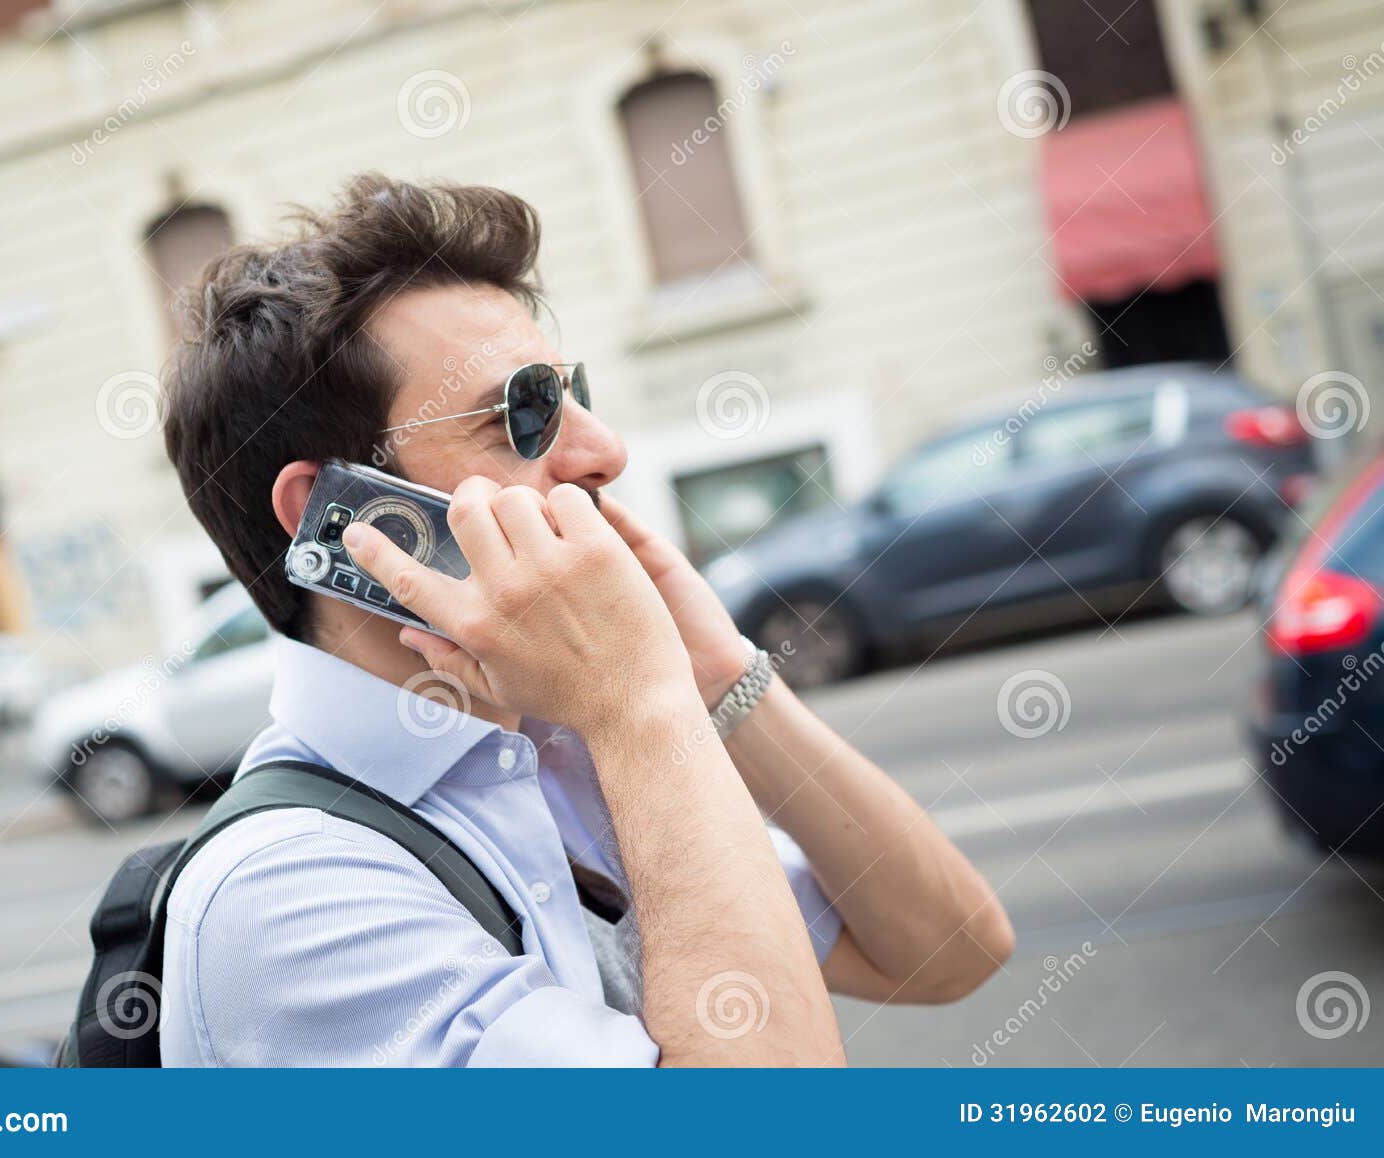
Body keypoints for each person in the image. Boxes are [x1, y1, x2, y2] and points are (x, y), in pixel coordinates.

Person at [156, 175, 1013, 1066]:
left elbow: (947, 952)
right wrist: (640, 709)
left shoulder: (557, 755)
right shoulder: (288, 890)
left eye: (571, 395)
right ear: (341, 515)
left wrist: (716, 679)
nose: (604, 452)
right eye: (517, 416)